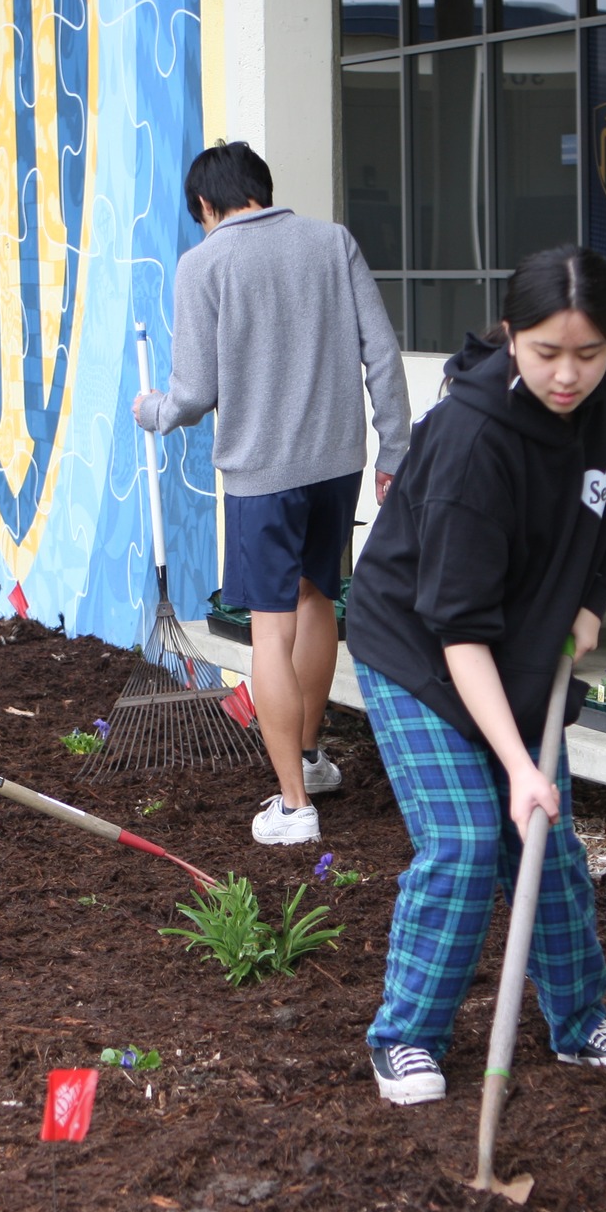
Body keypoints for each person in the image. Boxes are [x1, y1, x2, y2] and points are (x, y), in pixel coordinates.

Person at [343, 244, 606, 1105]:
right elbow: (455, 630)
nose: (569, 375)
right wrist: (522, 765)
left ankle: (579, 1022)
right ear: (510, 335)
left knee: (545, 839)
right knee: (463, 839)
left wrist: (596, 598)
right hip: (420, 647)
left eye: (589, 354)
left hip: (520, 640)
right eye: (546, 353)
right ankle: (405, 1035)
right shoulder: (470, 438)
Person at [133, 141, 411, 847]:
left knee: (269, 627)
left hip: (263, 475)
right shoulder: (331, 242)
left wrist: (154, 411)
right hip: (337, 463)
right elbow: (381, 351)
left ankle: (294, 805)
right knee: (319, 596)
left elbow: (193, 395)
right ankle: (311, 759)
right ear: (264, 188)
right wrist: (394, 449)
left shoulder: (204, 264)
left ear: (206, 206)